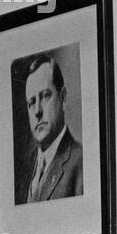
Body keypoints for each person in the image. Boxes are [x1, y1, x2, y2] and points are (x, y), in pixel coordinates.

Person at [17, 54, 84, 204]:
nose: (37, 111)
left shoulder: (81, 162)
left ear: (63, 98)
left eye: (45, 96)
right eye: (31, 103)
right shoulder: (26, 166)